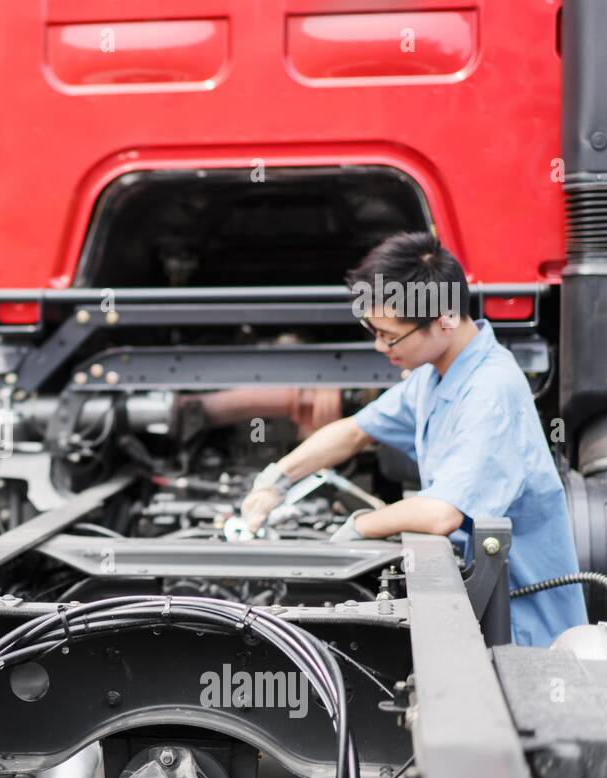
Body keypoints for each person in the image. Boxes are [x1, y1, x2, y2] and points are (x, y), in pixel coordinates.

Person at [239, 231, 586, 647]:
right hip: (479, 603)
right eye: (373, 330)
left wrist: (359, 526)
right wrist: (275, 480)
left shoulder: (491, 392)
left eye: (390, 335)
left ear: (444, 319)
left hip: (523, 633)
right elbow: (354, 431)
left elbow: (441, 514)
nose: (379, 345)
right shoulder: (435, 374)